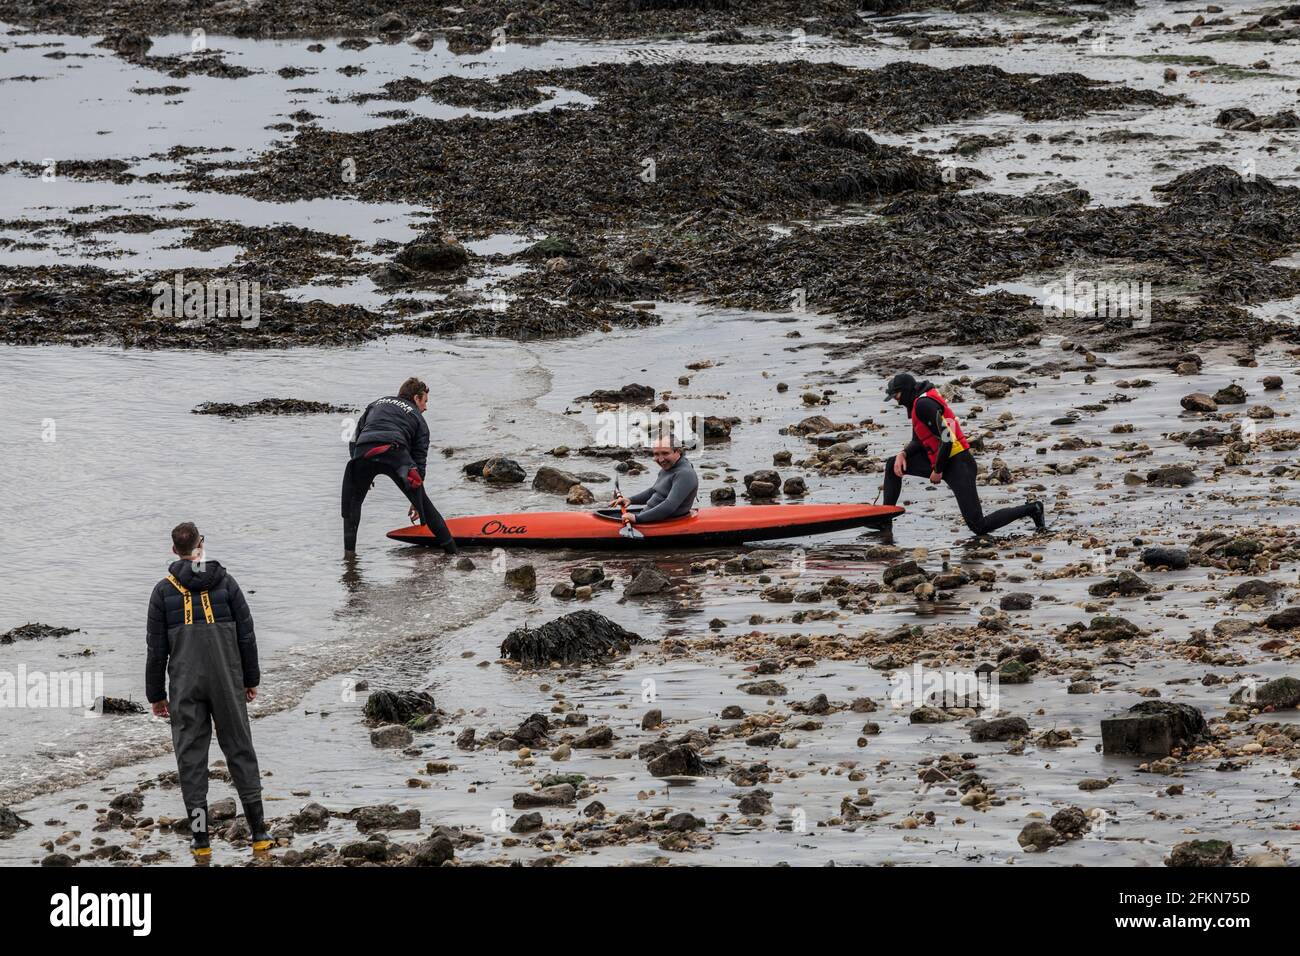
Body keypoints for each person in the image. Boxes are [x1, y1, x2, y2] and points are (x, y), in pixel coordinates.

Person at [145, 522, 269, 858]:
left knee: (191, 761)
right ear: (201, 545)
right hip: (227, 682)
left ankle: (201, 841)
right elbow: (246, 634)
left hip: (186, 687)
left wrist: (155, 694)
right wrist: (250, 679)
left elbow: (156, 650)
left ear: (175, 551)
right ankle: (258, 833)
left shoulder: (162, 592)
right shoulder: (227, 583)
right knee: (240, 749)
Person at [882, 372, 1045, 536]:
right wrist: (903, 454)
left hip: (959, 464)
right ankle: (884, 522)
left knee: (978, 526)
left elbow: (947, 439)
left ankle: (1033, 509)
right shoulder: (918, 404)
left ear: (906, 390)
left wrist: (938, 471)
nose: (896, 400)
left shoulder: (924, 404)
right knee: (892, 464)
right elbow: (918, 440)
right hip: (942, 459)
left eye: (896, 395)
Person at [342, 376, 457, 555]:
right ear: (416, 398)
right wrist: (416, 499)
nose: (425, 407)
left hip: (364, 451)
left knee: (353, 504)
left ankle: (349, 559)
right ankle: (452, 553)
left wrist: (359, 467)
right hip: (394, 453)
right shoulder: (419, 420)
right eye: (425, 401)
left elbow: (354, 439)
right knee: (426, 506)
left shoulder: (376, 403)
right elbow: (419, 461)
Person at [610, 434, 699, 524]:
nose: (660, 460)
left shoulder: (685, 474)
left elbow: (669, 506)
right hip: (651, 515)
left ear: (678, 451)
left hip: (666, 521)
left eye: (665, 453)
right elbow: (654, 491)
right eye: (656, 454)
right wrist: (630, 500)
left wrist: (638, 518)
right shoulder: (669, 467)